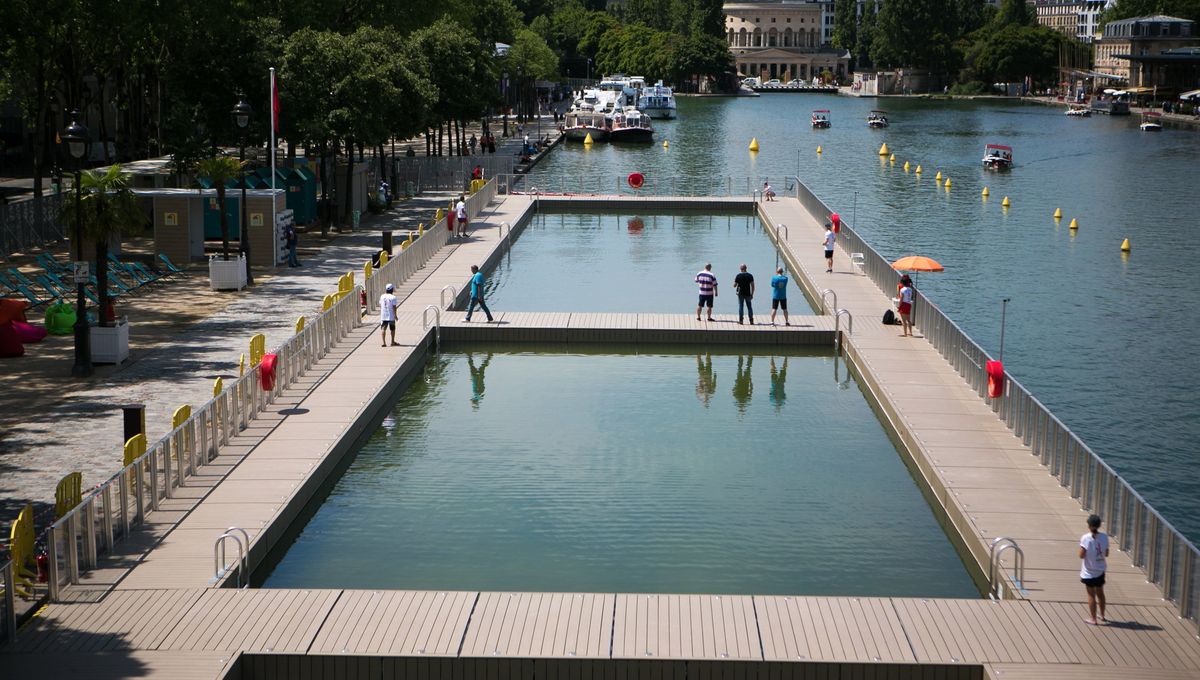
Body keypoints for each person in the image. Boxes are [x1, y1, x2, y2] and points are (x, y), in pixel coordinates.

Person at [1080, 514, 1109, 625]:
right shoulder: (1104, 537)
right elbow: (1106, 553)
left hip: (1089, 572)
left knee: (1091, 595)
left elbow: (1081, 555)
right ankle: (1102, 615)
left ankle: (1093, 619)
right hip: (1100, 570)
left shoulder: (1085, 538)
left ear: (1089, 525)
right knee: (1100, 593)